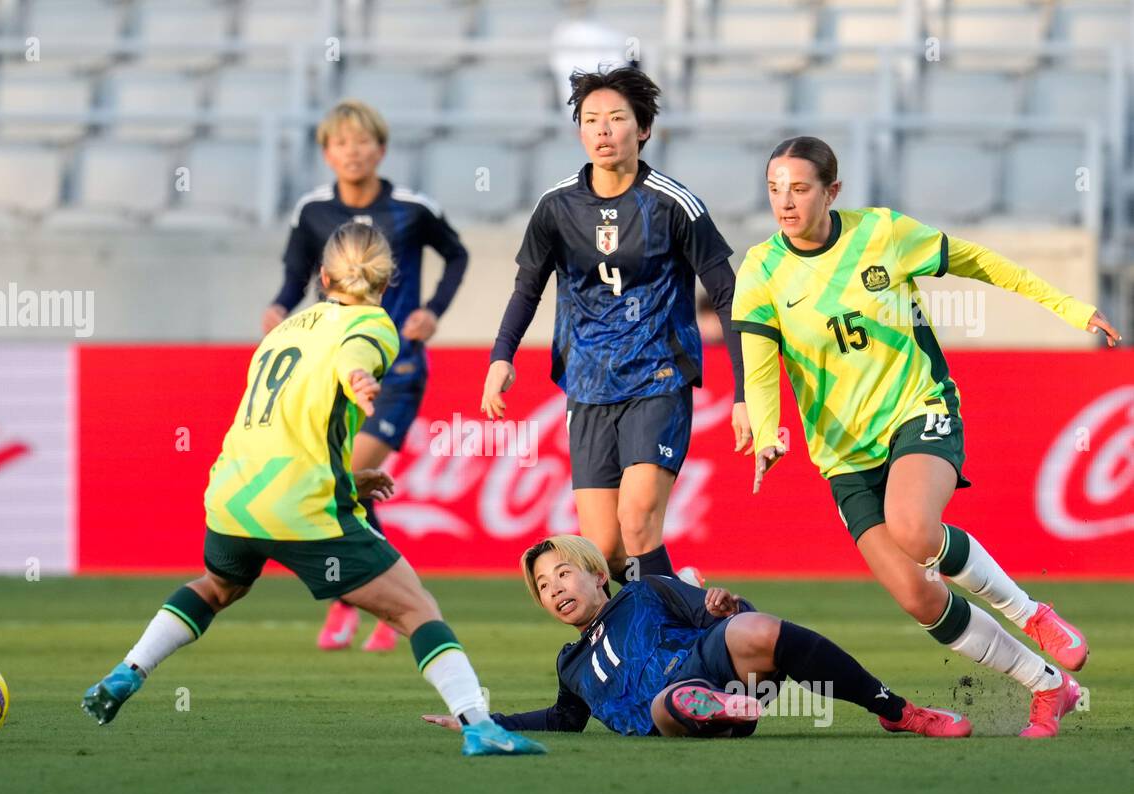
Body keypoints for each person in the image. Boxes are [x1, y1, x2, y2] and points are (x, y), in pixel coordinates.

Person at [83, 222, 543, 758]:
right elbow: (354, 356)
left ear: (323, 277)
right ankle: (479, 726)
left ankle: (127, 670)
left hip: (231, 499)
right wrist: (361, 382)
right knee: (416, 610)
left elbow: (286, 426)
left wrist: (347, 477)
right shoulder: (375, 324)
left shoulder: (285, 331)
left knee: (217, 586)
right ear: (389, 280)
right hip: (300, 508)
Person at [733, 135, 1122, 738]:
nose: (785, 202)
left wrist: (1069, 309)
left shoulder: (882, 234)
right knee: (917, 597)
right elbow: (758, 366)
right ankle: (1049, 685)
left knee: (915, 529)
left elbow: (983, 263)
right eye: (775, 189)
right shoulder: (760, 268)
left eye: (800, 188)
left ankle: (1034, 615)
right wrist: (765, 433)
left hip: (919, 409)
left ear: (833, 192)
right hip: (842, 454)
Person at [483, 66, 750, 592]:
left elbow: (726, 294)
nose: (603, 129)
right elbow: (527, 288)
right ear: (579, 130)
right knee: (602, 555)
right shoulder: (556, 207)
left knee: (637, 520)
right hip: (587, 385)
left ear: (643, 129)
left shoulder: (674, 203)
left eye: (616, 118)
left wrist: (745, 391)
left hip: (658, 380)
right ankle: (684, 596)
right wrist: (501, 357)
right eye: (591, 119)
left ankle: (668, 644)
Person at [263, 100, 469, 653]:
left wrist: (433, 310)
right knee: (344, 489)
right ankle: (386, 599)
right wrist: (279, 310)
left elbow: (457, 254)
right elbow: (293, 277)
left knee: (346, 477)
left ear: (381, 148)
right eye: (340, 143)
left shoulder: (410, 208)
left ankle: (357, 598)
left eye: (362, 142)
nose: (351, 152)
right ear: (326, 152)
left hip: (395, 367)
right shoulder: (311, 212)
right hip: (327, 367)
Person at [422, 534, 971, 739]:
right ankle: (716, 710)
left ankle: (896, 709)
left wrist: (732, 608)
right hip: (663, 715)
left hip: (704, 665)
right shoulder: (569, 664)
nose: (555, 589)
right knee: (666, 705)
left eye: (563, 573)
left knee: (755, 627)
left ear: (595, 575)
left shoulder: (646, 592)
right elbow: (565, 719)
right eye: (543, 586)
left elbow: (726, 627)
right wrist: (483, 719)